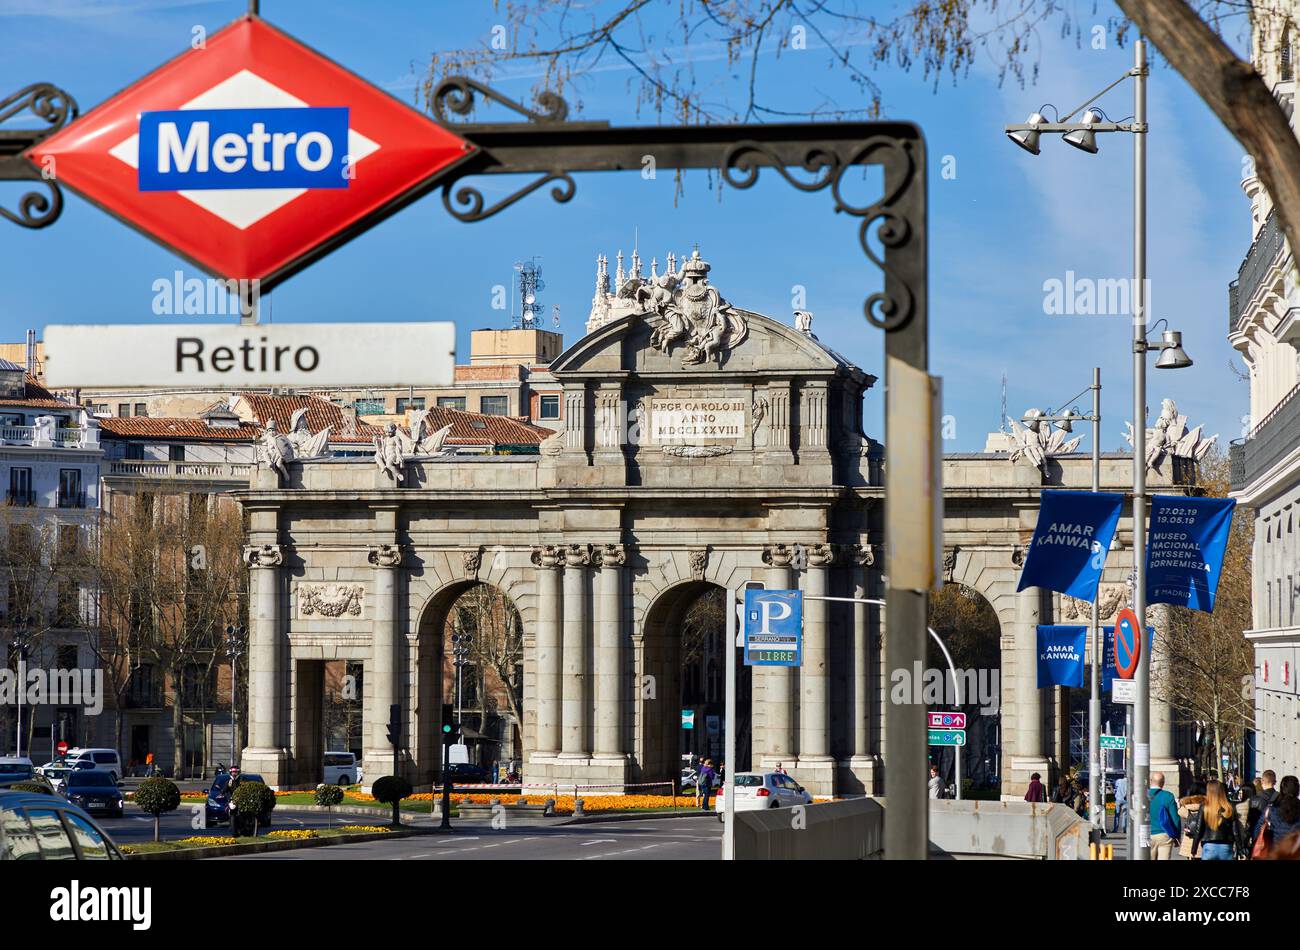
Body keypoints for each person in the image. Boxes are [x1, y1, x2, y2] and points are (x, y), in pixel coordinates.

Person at [1190, 780, 1246, 861]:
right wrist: (1241, 851)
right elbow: (1235, 832)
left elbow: (1198, 830)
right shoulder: (1229, 808)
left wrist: (1193, 850)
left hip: (1209, 846)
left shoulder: (1204, 807)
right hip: (1226, 847)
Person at [1253, 774, 1300, 856]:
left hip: (1276, 851)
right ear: (1297, 790)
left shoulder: (1271, 810)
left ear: (1281, 789)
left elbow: (1257, 831)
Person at [1148, 772, 1181, 860]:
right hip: (1164, 835)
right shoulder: (1168, 796)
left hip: (1147, 834)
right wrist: (1177, 836)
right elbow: (1175, 819)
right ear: (1163, 783)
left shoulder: (1143, 795)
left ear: (1150, 781)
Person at [1247, 770, 1279, 849]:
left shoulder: (1255, 799)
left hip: (1259, 837)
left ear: (1262, 781)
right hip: (1276, 837)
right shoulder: (1281, 798)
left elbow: (1250, 820)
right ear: (1275, 782)